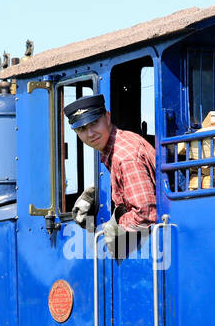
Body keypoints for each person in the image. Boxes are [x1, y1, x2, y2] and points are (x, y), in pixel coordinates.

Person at [63, 93, 157, 254]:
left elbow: (145, 215)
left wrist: (110, 227)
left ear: (107, 117)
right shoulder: (117, 146)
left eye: (94, 123)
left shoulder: (125, 157)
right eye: (81, 129)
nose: (90, 133)